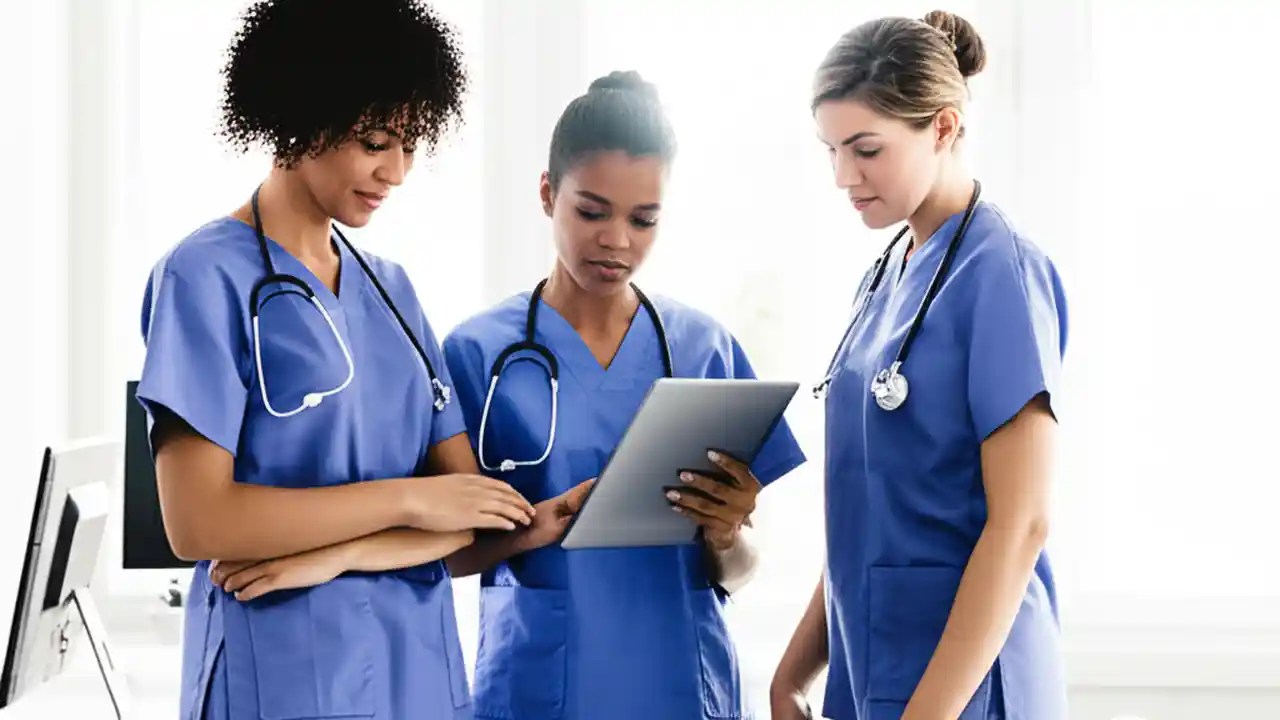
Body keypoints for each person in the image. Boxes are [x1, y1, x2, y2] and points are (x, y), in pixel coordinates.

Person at [134, 2, 539, 718]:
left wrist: (343, 552)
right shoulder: (203, 277)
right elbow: (197, 521)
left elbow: (467, 509)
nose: (397, 172)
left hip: (415, 675)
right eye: (376, 140)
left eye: (411, 144)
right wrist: (408, 500)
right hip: (278, 672)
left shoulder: (392, 288)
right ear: (299, 115)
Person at [438, 71, 808, 720]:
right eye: (592, 211)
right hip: (537, 687)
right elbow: (447, 555)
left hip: (678, 688)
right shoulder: (476, 353)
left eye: (644, 219)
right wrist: (531, 531)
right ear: (548, 194)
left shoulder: (704, 350)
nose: (617, 240)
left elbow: (741, 571)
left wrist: (725, 535)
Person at [770, 11, 1069, 720]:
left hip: (964, 689)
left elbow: (1022, 522)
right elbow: (867, 521)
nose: (844, 174)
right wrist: (792, 672)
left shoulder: (1000, 272)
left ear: (941, 127)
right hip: (872, 669)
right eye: (832, 148)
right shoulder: (883, 276)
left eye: (866, 148)